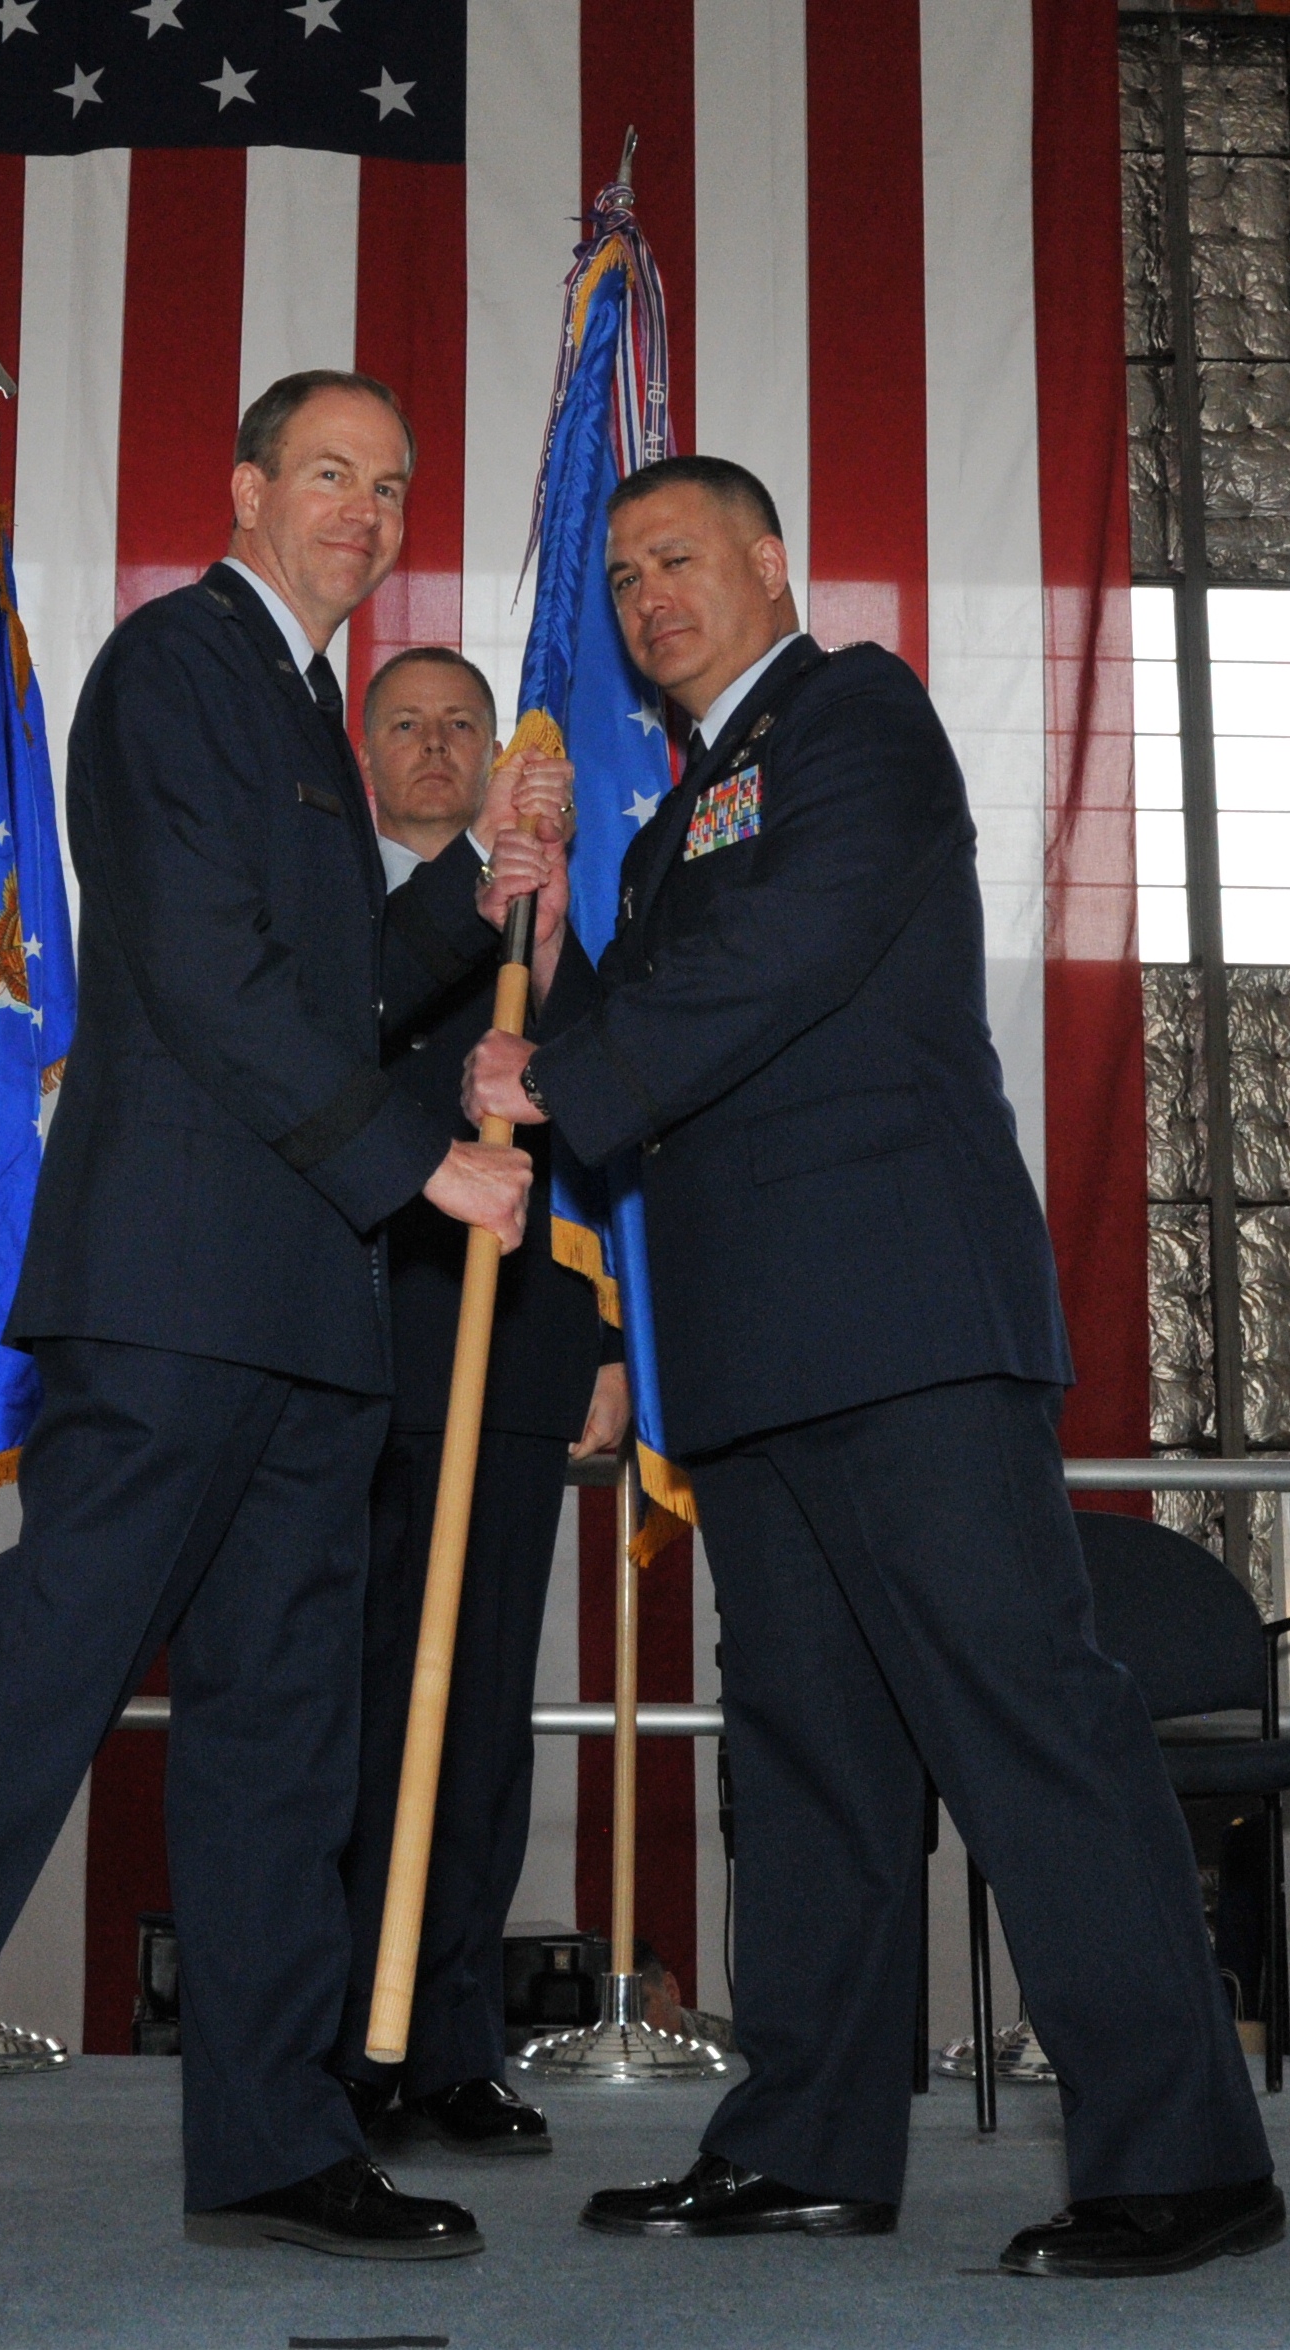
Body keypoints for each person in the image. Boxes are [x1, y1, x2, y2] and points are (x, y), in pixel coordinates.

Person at [0, 370, 561, 2265]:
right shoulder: (177, 663)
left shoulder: (304, 712)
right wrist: (416, 1170)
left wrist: (470, 897)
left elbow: (324, 988)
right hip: (178, 1292)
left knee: (280, 1741)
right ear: (250, 482)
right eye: (331, 471)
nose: (365, 507)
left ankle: (268, 2135)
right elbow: (195, 965)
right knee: (40, 1686)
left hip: (303, 1314)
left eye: (394, 484)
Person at [464, 452, 1283, 2281]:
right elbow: (641, 1064)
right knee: (808, 1759)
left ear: (772, 559)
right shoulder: (672, 825)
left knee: (1025, 1718)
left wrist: (571, 1077)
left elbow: (786, 959)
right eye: (620, 577)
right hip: (754, 1349)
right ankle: (811, 2140)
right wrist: (542, 955)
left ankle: (1186, 2153)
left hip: (904, 1321)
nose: (647, 597)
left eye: (678, 557)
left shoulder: (859, 723)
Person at [330, 647, 629, 2156]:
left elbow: (609, 1132)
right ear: (363, 748)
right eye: (411, 724)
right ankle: (332, 2037)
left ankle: (451, 2040)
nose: (441, 747)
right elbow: (308, 1068)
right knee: (343, 1706)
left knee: (485, 1718)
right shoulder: (333, 900)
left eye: (466, 725)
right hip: (351, 1349)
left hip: (511, 1352)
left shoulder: (557, 913)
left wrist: (607, 1342)